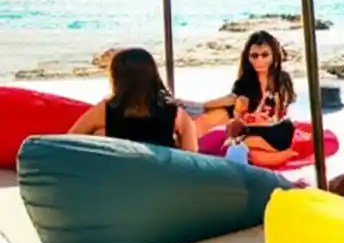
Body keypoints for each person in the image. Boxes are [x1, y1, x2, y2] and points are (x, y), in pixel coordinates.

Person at [69, 48, 198, 151]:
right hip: (160, 178)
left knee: (99, 134)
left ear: (117, 79)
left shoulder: (106, 110)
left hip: (120, 178)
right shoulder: (176, 113)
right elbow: (192, 157)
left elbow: (68, 141)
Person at [196, 31, 298, 160]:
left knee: (245, 149)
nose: (259, 60)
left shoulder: (282, 79)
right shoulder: (245, 82)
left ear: (274, 55)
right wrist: (198, 106)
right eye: (254, 56)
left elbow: (281, 111)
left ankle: (283, 154)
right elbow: (233, 103)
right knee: (244, 149)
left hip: (274, 128)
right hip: (249, 128)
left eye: (265, 55)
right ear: (248, 58)